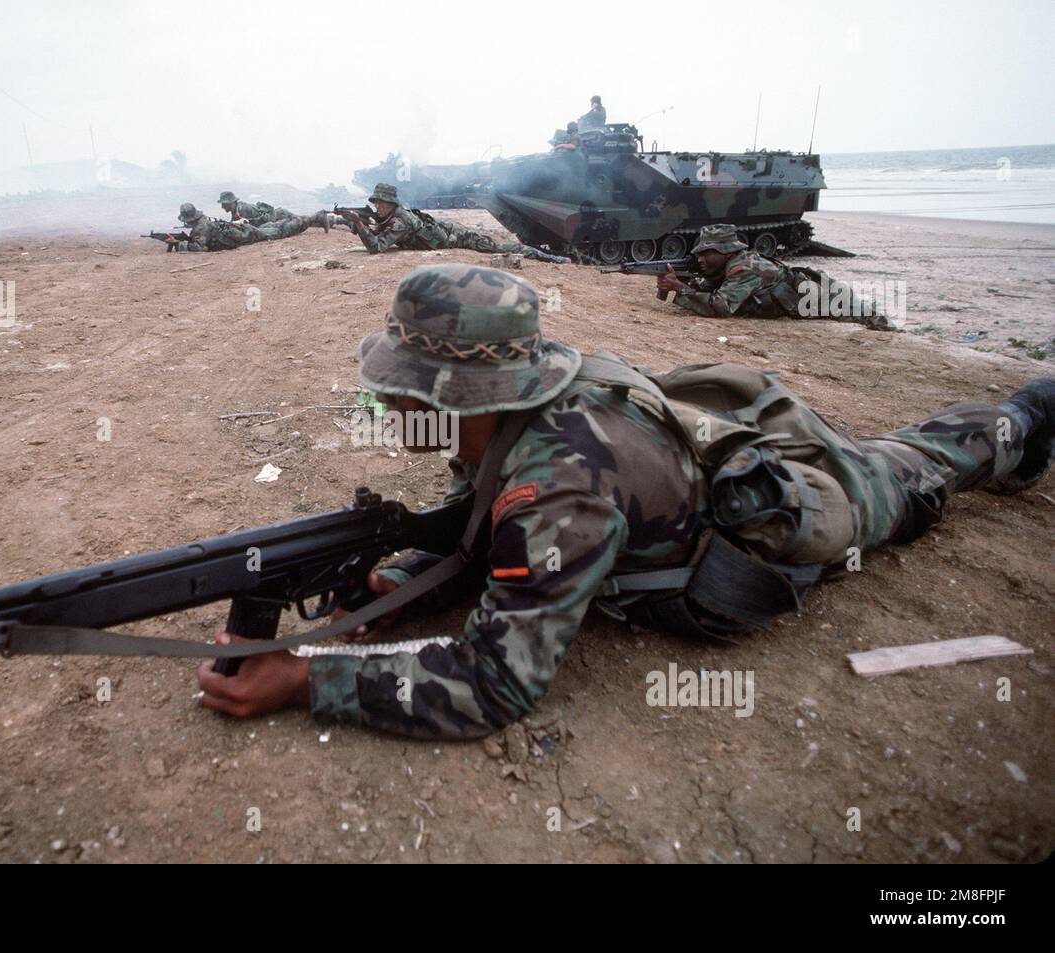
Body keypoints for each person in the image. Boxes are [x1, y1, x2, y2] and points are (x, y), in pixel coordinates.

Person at [195, 263, 1054, 738]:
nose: (392, 411)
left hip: (772, 512)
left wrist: (311, 682)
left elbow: (493, 684)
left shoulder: (559, 484)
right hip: (697, 454)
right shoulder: (515, 395)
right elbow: (479, 521)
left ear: (468, 392)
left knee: (915, 469)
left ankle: (1019, 421)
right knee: (896, 453)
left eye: (409, 394)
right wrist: (410, 579)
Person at [658, 224, 895, 329]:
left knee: (870, 318)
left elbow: (721, 307)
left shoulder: (744, 268)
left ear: (725, 252)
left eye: (706, 254)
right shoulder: (730, 267)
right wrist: (689, 283)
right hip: (807, 294)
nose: (700, 259)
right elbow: (715, 288)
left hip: (824, 297)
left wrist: (680, 288)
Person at [342, 183, 570, 264]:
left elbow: (376, 247)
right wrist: (358, 223)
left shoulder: (400, 220)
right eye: (375, 202)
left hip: (455, 237)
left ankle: (547, 256)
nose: (377, 206)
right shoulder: (390, 216)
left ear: (391, 202)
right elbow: (379, 231)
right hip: (443, 230)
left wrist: (359, 225)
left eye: (380, 202)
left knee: (499, 247)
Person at [171, 202, 327, 252]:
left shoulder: (201, 226)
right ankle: (315, 217)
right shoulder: (202, 222)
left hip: (249, 234)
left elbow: (198, 248)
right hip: (247, 231)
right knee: (278, 225)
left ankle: (317, 216)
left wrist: (178, 245)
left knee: (285, 229)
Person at [219, 191, 299, 225]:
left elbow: (245, 224)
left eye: (225, 204)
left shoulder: (242, 209)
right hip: (274, 217)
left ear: (233, 203)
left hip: (279, 215)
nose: (223, 207)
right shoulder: (235, 210)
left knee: (301, 220)